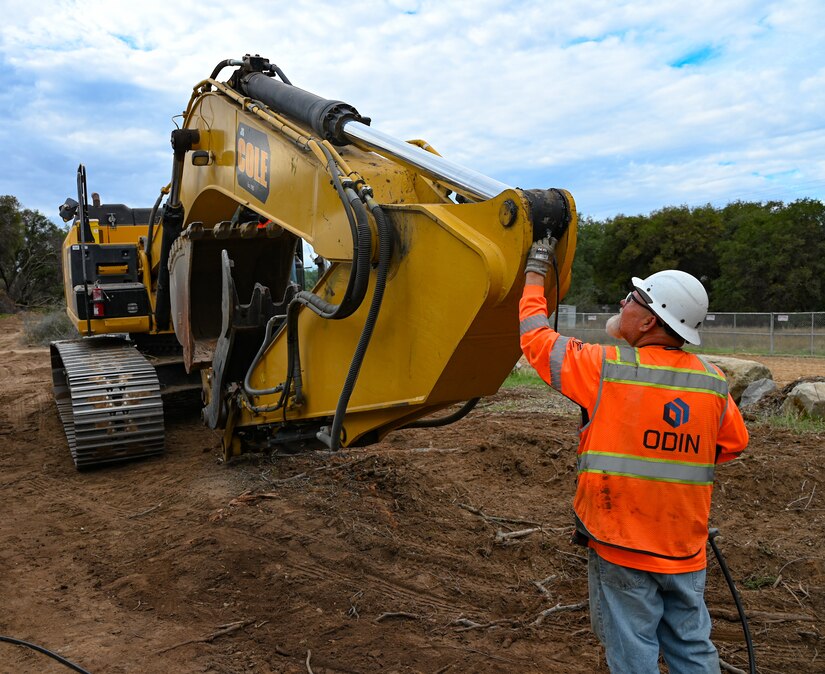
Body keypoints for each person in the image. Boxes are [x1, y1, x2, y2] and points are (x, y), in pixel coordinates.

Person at [519, 238, 749, 674]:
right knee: (692, 647)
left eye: (632, 298)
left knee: (632, 652)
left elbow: (535, 338)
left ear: (648, 321)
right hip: (684, 547)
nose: (622, 303)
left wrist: (534, 273)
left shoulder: (606, 369)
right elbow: (732, 443)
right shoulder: (712, 382)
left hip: (622, 544)